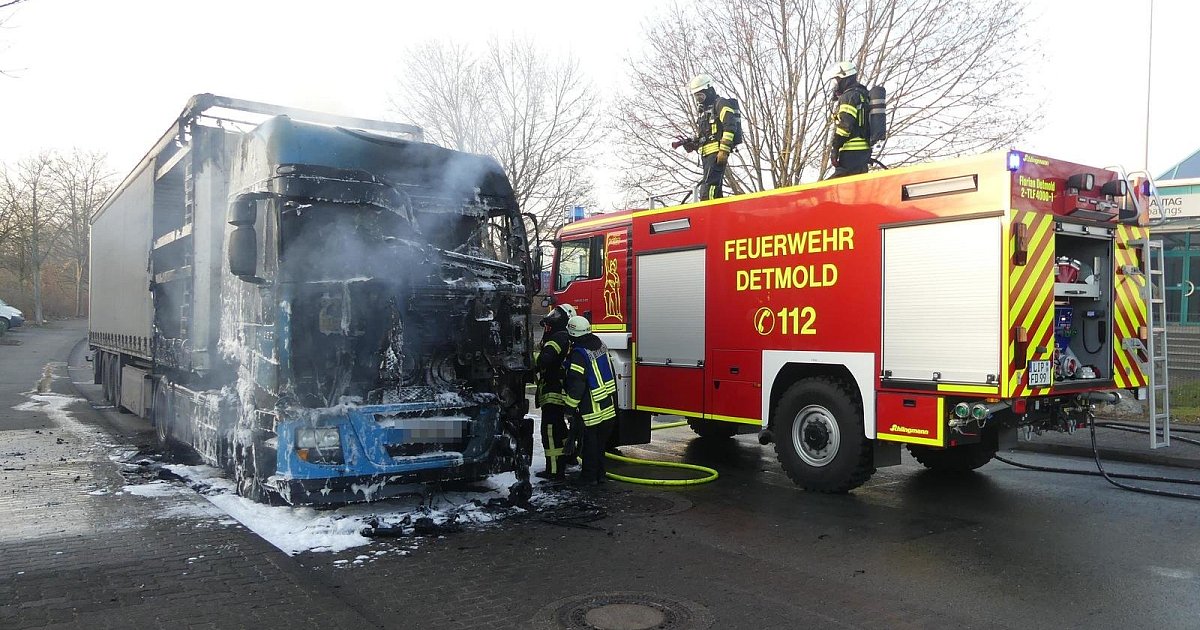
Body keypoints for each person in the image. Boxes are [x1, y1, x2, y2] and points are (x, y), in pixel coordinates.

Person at [561, 315, 618, 486]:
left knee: (590, 444)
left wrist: (569, 408)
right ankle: (600, 475)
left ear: (572, 334)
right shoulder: (599, 344)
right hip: (607, 402)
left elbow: (577, 385)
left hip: (592, 406)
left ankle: (588, 478)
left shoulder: (579, 353)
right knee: (600, 443)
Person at [674, 73, 740, 201]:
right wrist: (692, 143)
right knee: (715, 188)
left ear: (709, 90)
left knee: (708, 188)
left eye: (700, 95)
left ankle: (708, 216)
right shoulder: (704, 112)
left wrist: (724, 150)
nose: (699, 99)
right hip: (706, 155)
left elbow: (730, 125)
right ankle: (719, 215)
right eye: (696, 96)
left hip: (716, 153)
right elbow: (705, 137)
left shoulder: (720, 104)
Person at [533, 303, 576, 481]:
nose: (553, 316)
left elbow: (544, 361)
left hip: (553, 392)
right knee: (560, 429)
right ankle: (569, 458)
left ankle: (554, 470)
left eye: (557, 314)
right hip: (558, 390)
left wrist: (531, 358)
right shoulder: (562, 337)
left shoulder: (558, 338)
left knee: (550, 432)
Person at [824, 60, 871, 179]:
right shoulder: (862, 94)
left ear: (844, 78)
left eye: (836, 80)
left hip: (851, 153)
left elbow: (844, 127)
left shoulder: (848, 97)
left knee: (829, 190)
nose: (836, 85)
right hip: (862, 153)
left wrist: (835, 148)